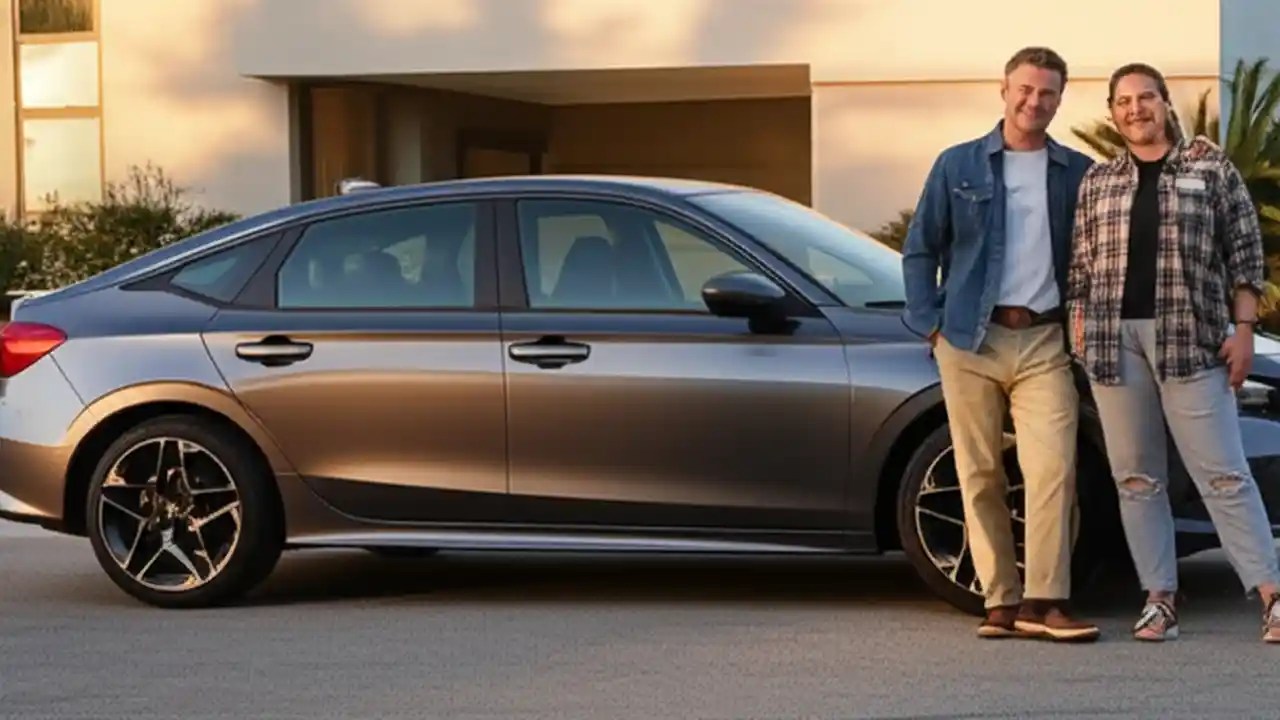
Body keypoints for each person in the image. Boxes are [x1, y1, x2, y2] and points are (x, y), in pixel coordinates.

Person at [1066, 62, 1280, 643]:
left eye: (1146, 97)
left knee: (1224, 473)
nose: (1135, 109)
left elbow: (1245, 253)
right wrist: (1080, 332)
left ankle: (1271, 594)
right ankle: (1159, 598)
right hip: (1114, 347)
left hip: (1191, 340)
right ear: (1112, 113)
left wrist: (1243, 329)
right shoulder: (1098, 181)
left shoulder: (1209, 168)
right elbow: (1080, 269)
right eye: (1123, 101)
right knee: (1137, 478)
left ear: (1164, 103)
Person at [902, 46, 1100, 641]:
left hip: (1044, 340)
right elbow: (920, 248)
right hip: (970, 339)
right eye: (1025, 89)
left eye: (1047, 93)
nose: (1034, 102)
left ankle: (1047, 600)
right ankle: (1000, 600)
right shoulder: (957, 164)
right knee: (980, 470)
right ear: (1005, 90)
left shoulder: (1078, 172)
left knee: (1053, 469)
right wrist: (931, 324)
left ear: (1060, 100)